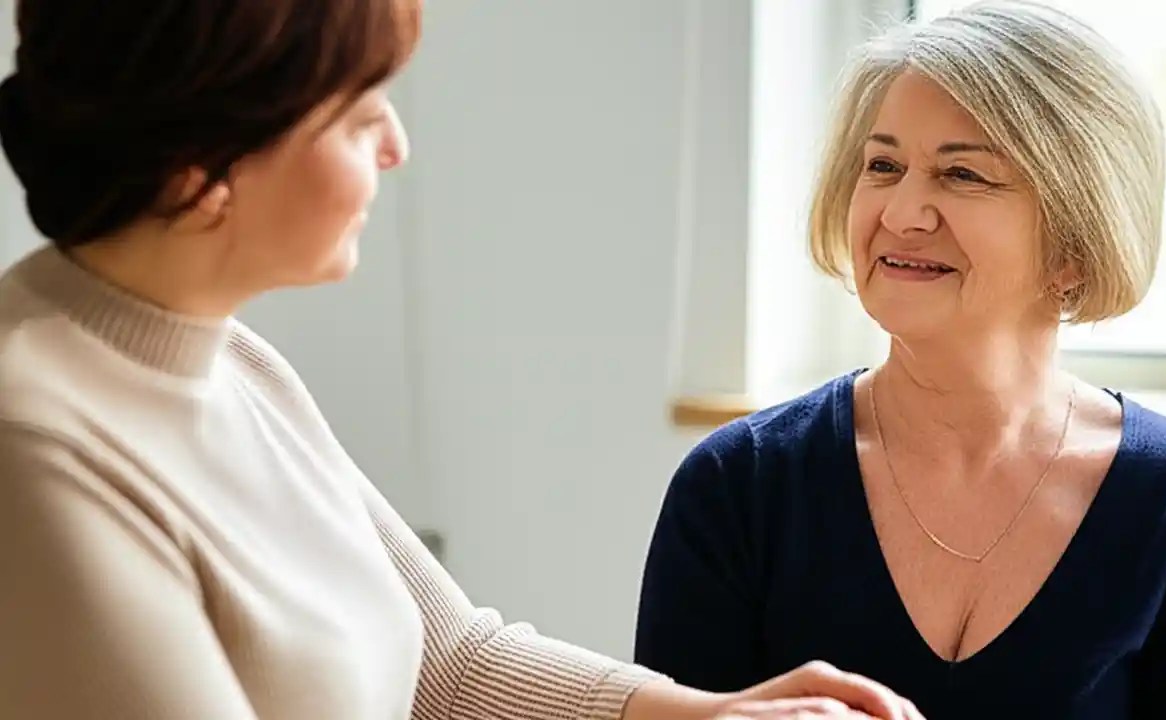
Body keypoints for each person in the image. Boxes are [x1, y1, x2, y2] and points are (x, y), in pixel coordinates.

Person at [0, 1, 929, 719]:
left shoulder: (235, 362)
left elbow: (449, 663)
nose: (395, 146)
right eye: (358, 114)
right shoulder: (36, 447)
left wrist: (708, 713)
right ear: (204, 160)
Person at [634, 1, 1166, 718]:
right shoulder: (737, 483)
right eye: (883, 165)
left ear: (1075, 240)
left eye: (962, 174)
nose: (900, 213)